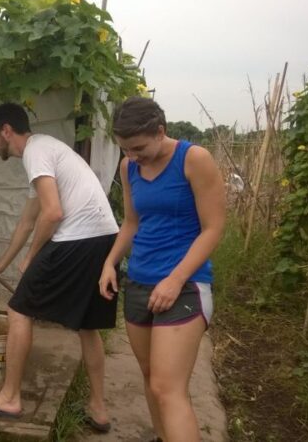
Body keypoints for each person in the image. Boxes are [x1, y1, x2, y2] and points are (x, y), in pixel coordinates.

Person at [0, 103, 119, 433]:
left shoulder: (36, 152)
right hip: (103, 239)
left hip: (76, 240)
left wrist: (32, 258)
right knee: (88, 325)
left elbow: (52, 213)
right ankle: (99, 408)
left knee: (19, 311)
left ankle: (9, 397)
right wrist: (3, 263)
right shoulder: (46, 152)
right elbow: (27, 221)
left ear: (7, 131)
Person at [98, 97, 226, 442]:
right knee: (151, 377)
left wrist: (175, 278)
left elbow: (213, 228)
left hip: (184, 285)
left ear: (160, 131)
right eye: (126, 150)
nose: (133, 156)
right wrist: (110, 263)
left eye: (138, 148)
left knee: (168, 387)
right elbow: (131, 222)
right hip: (139, 282)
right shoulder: (130, 168)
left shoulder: (193, 159)